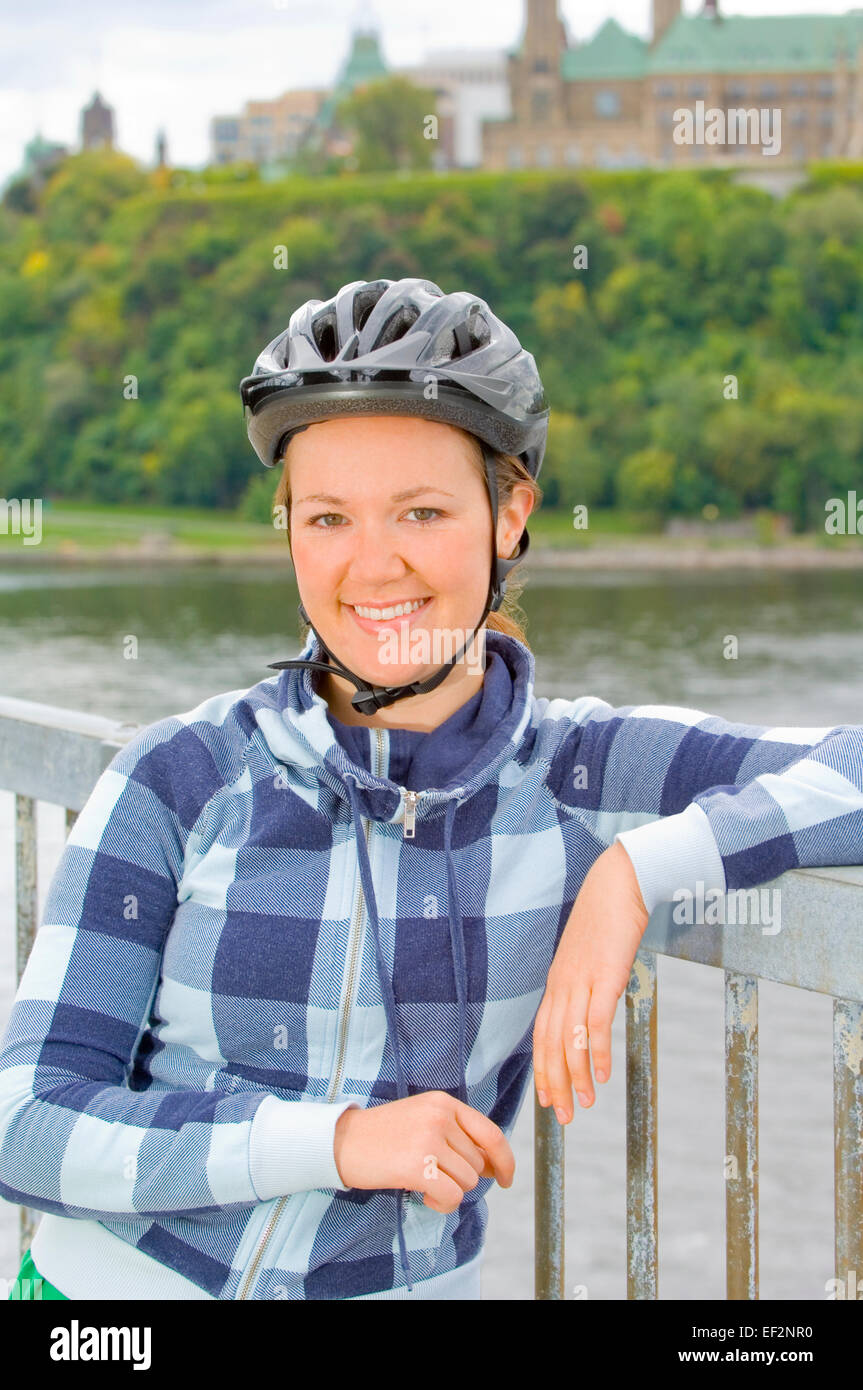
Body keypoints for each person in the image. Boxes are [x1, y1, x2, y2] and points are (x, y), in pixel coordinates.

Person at [2, 276, 863, 1302]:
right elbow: (29, 1122)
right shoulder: (182, 775)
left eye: (421, 510)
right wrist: (340, 1142)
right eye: (326, 518)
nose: (373, 567)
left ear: (509, 515)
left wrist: (637, 866)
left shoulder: (580, 773)